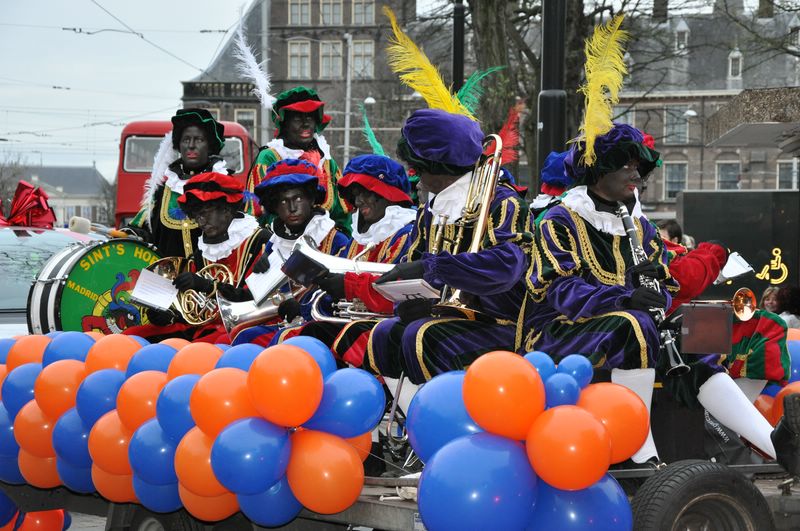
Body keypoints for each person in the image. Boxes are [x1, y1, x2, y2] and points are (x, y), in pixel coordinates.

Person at [358, 108, 533, 385]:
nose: (413, 172)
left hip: (501, 321)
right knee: (384, 334)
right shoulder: (430, 209)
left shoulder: (502, 202)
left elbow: (507, 266)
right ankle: (410, 416)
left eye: (418, 164)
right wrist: (410, 298)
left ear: (437, 164)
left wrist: (436, 268)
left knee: (423, 337)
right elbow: (414, 263)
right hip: (444, 314)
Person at [274, 153, 418, 366]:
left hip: (382, 325)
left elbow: (393, 290)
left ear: (387, 193)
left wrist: (346, 286)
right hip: (353, 320)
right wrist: (304, 305)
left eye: (366, 193)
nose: (359, 201)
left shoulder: (406, 234)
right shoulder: (360, 236)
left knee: (310, 339)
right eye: (355, 195)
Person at [124, 172, 269, 343]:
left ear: (227, 209)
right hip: (204, 326)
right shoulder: (202, 249)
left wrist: (209, 286)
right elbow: (190, 308)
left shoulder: (259, 241)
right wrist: (165, 314)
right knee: (131, 336)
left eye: (206, 212)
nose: (201, 221)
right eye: (197, 215)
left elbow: (258, 298)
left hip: (245, 324)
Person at [232, 159, 350, 346]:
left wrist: (303, 306)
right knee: (244, 337)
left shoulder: (335, 240)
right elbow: (266, 297)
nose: (292, 208)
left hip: (321, 323)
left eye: (298, 199)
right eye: (284, 201)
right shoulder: (274, 241)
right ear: (275, 207)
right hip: (284, 321)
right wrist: (258, 279)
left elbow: (342, 293)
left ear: (311, 200)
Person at [246, 87, 350, 234]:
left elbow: (342, 215)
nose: (305, 123)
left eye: (310, 117)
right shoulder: (270, 157)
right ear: (284, 123)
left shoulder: (326, 161)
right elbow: (257, 211)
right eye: (297, 118)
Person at [126, 109, 228, 258]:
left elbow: (245, 234)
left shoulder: (224, 186)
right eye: (186, 140)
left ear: (210, 146)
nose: (191, 145)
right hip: (166, 279)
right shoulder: (162, 191)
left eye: (199, 140)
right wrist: (130, 235)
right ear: (178, 145)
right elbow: (143, 230)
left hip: (210, 277)